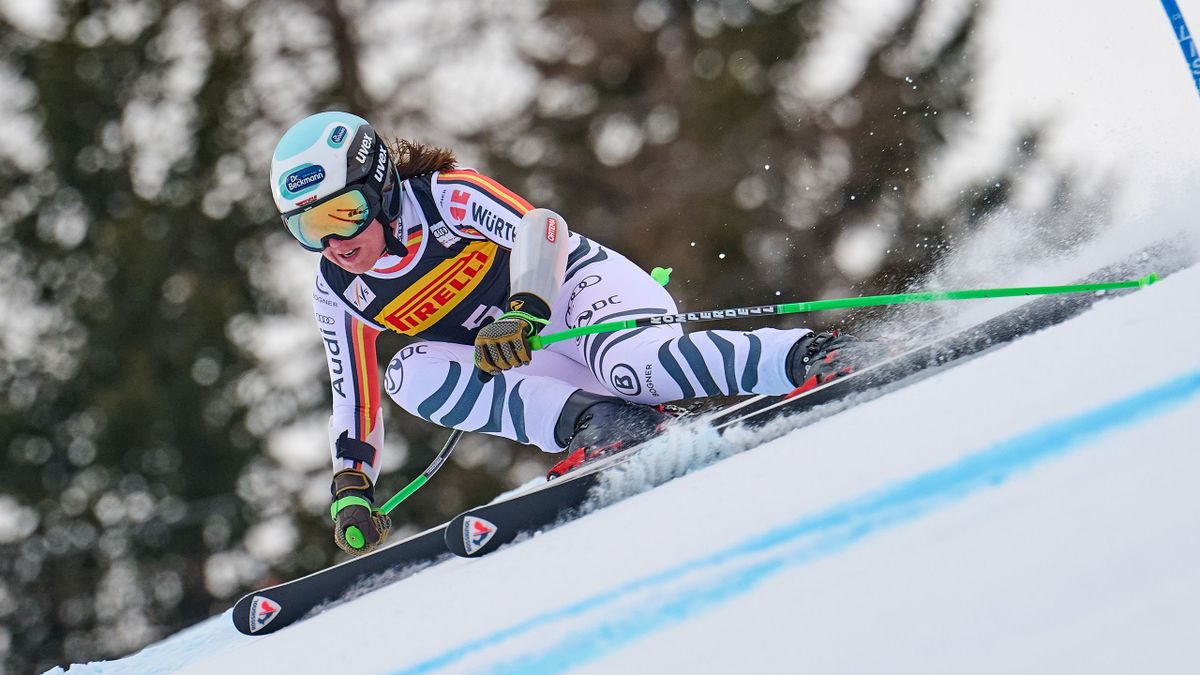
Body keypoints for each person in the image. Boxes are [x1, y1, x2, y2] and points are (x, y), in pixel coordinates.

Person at [269, 111, 865, 555]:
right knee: (406, 375)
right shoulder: (335, 288)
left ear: (380, 189)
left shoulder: (446, 197)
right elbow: (355, 394)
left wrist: (525, 310)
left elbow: (543, 229)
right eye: (308, 229)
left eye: (342, 214)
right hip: (528, 358)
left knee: (633, 368)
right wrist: (352, 484)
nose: (334, 243)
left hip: (578, 297)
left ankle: (808, 356)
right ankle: (603, 425)